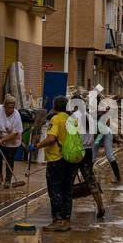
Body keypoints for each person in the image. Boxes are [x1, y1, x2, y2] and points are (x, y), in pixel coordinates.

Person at [36, 95, 77, 232]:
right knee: (67, 189)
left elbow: (51, 138)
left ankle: (58, 220)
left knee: (55, 189)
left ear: (55, 107)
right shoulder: (72, 120)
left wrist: (37, 146)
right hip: (70, 159)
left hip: (56, 159)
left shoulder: (56, 119)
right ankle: (66, 219)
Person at [74, 104, 107, 220]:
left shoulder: (74, 117)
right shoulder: (90, 118)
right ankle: (100, 206)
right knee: (91, 179)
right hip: (88, 152)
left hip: (76, 151)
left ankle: (65, 211)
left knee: (69, 180)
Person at [0, 95, 24, 187]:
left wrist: (2, 140)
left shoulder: (16, 116)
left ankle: (8, 179)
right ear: (4, 106)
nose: (11, 110)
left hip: (12, 142)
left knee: (9, 158)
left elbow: (15, 134)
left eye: (13, 107)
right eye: (9, 108)